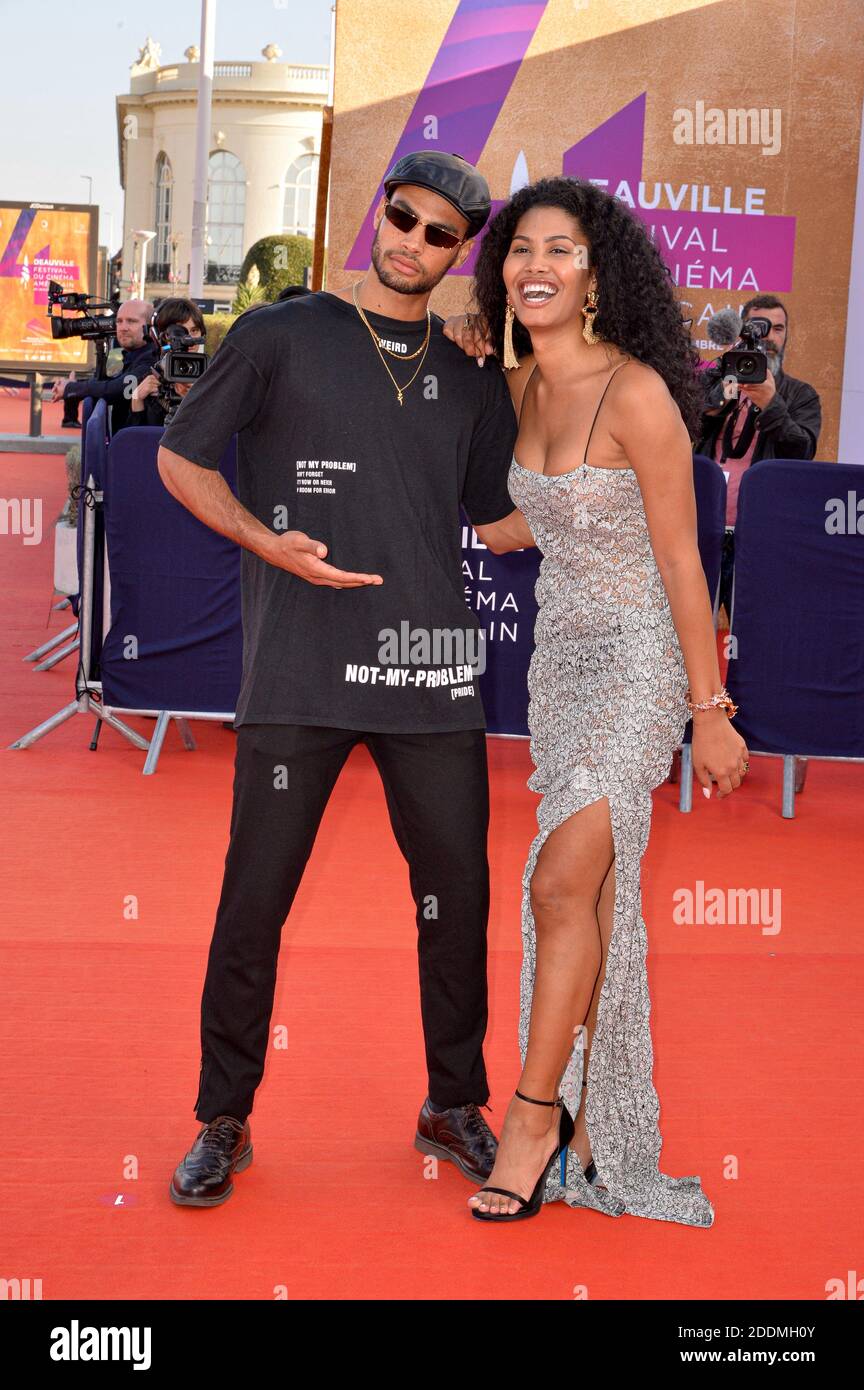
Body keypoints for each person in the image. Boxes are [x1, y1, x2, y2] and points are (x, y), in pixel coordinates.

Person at [156, 151, 536, 1207]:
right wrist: (265, 542)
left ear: (461, 253)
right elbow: (180, 460)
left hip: (431, 675)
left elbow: (497, 522)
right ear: (380, 213)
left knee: (454, 898)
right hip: (299, 670)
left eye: (439, 235)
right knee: (253, 902)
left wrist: (603, 484)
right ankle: (221, 1118)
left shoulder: (468, 376)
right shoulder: (281, 335)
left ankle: (452, 1101)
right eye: (403, 219)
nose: (413, 242)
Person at [445, 175, 748, 1224]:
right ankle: (592, 1128)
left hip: (639, 665)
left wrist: (709, 708)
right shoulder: (520, 388)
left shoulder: (635, 392)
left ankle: (532, 1117)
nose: (535, 265)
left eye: (559, 250)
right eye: (520, 249)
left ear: (594, 276)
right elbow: (523, 527)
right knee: (594, 898)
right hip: (556, 665)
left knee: (554, 884)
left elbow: (678, 554)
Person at [696, 295, 821, 622]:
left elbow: (802, 452)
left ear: (786, 336)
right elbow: (682, 428)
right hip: (699, 534)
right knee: (684, 639)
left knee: (752, 637)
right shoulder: (716, 382)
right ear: (740, 332)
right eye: (758, 328)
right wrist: (725, 385)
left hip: (759, 539)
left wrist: (770, 402)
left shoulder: (800, 395)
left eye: (777, 329)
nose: (769, 337)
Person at [51, 298, 157, 433]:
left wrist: (71, 387)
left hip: (140, 447)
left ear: (150, 325)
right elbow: (113, 382)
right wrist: (74, 385)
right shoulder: (134, 355)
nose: (123, 328)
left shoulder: (152, 357)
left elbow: (118, 389)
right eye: (119, 321)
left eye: (131, 321)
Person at [129, 298, 207, 426]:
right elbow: (134, 441)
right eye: (179, 332)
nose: (188, 339)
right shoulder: (148, 378)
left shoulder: (213, 377)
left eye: (194, 331)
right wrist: (137, 399)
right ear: (162, 336)